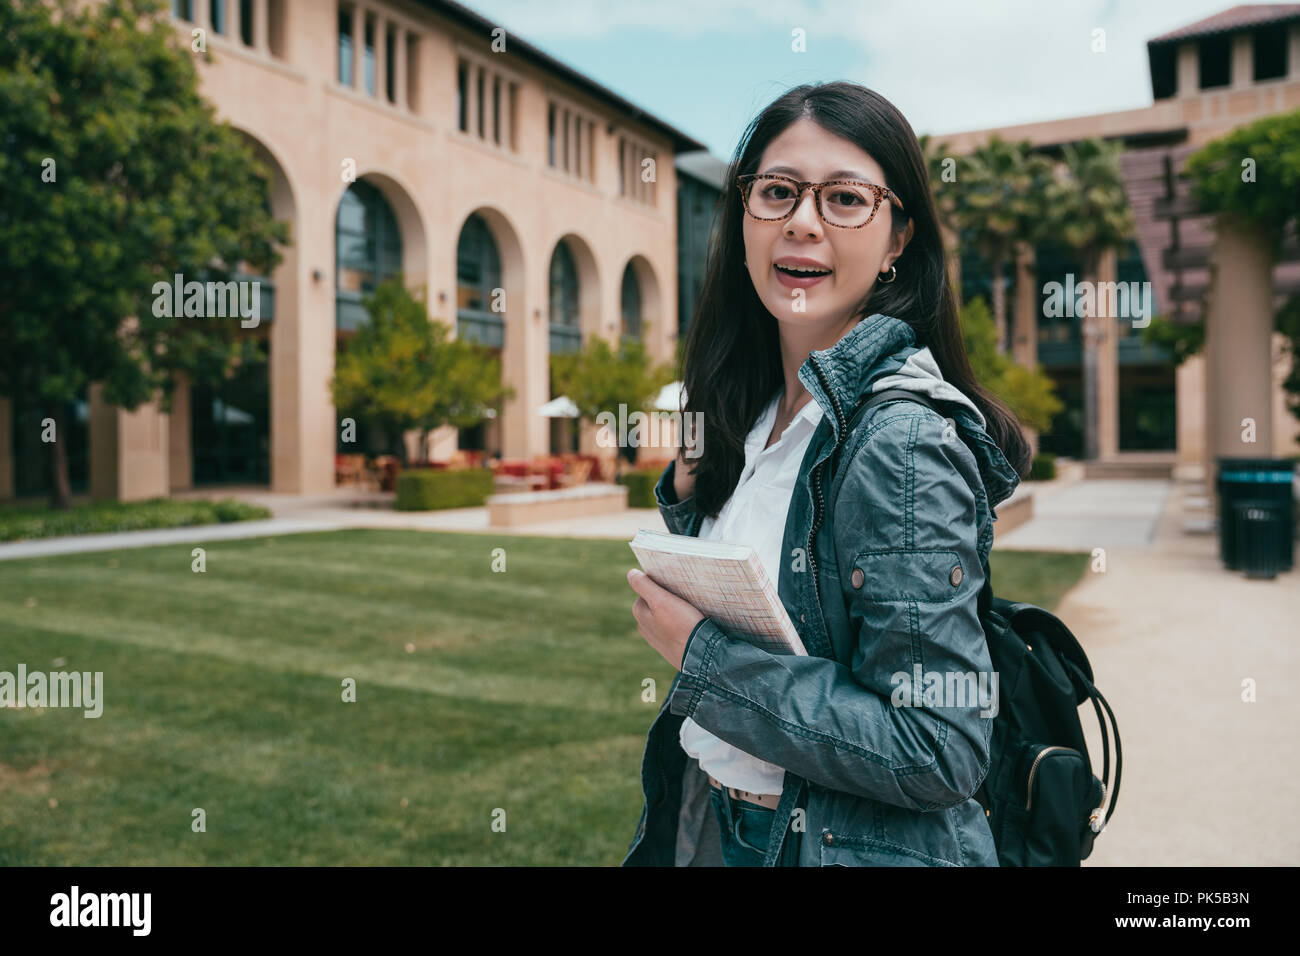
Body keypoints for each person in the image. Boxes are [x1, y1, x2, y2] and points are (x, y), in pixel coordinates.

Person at [624, 81, 1029, 867]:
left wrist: (703, 658)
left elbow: (936, 745)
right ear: (744, 219)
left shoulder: (901, 442)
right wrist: (687, 504)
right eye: (776, 192)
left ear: (897, 239)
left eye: (846, 199)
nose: (802, 221)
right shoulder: (755, 415)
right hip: (722, 827)